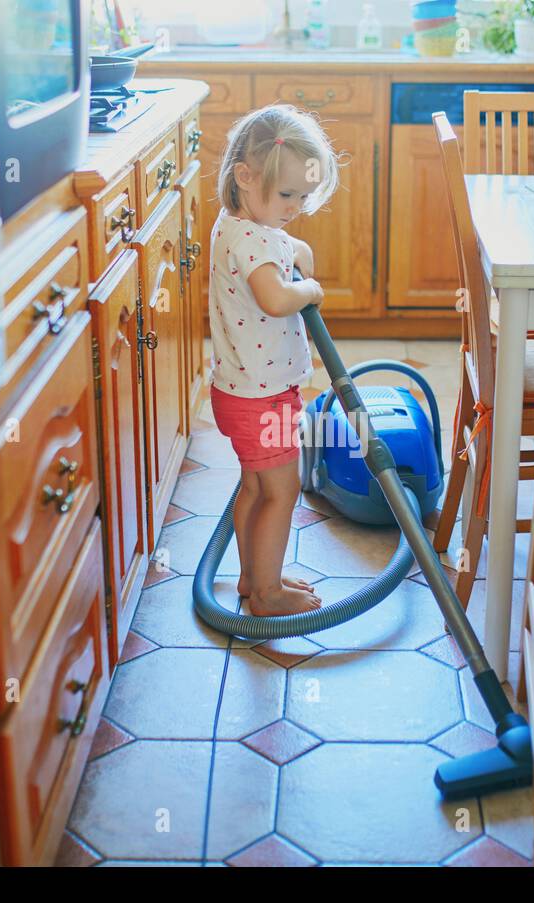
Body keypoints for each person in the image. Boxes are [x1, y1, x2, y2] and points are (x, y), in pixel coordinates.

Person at [207, 104, 340, 616]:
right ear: (244, 176)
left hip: (238, 390)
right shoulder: (257, 242)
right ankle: (266, 595)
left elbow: (276, 241)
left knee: (256, 489)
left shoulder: (235, 224)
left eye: (303, 197)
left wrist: (293, 247)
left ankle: (252, 577)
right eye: (286, 195)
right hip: (263, 397)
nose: (295, 207)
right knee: (281, 493)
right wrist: (307, 288)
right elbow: (274, 299)